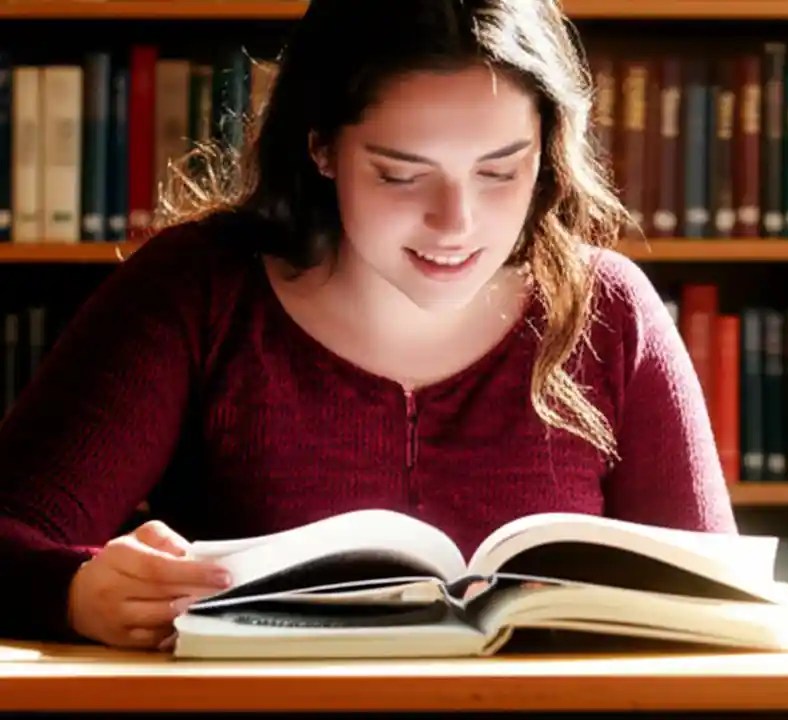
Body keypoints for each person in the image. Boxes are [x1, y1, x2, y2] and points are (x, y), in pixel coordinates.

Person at [0, 0, 735, 651]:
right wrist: (77, 592)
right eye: (401, 174)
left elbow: (721, 606)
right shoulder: (199, 290)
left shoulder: (607, 310)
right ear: (321, 148)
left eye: (501, 170)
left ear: (548, 151)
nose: (458, 223)